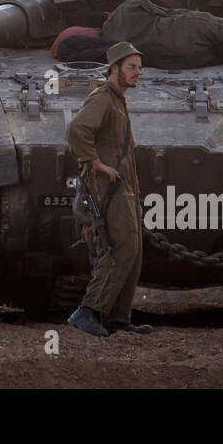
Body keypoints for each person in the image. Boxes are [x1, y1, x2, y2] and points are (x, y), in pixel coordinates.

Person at [66, 41, 153, 337]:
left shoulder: (118, 99)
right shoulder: (103, 97)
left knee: (135, 249)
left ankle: (117, 317)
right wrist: (94, 162)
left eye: (139, 68)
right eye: (131, 67)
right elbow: (77, 129)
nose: (137, 73)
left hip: (123, 185)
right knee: (121, 246)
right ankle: (87, 311)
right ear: (113, 68)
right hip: (108, 186)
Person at [54, 0, 223, 92]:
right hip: (181, 28)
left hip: (173, 53)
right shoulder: (127, 7)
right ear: (105, 14)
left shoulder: (114, 46)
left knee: (216, 49)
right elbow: (163, 10)